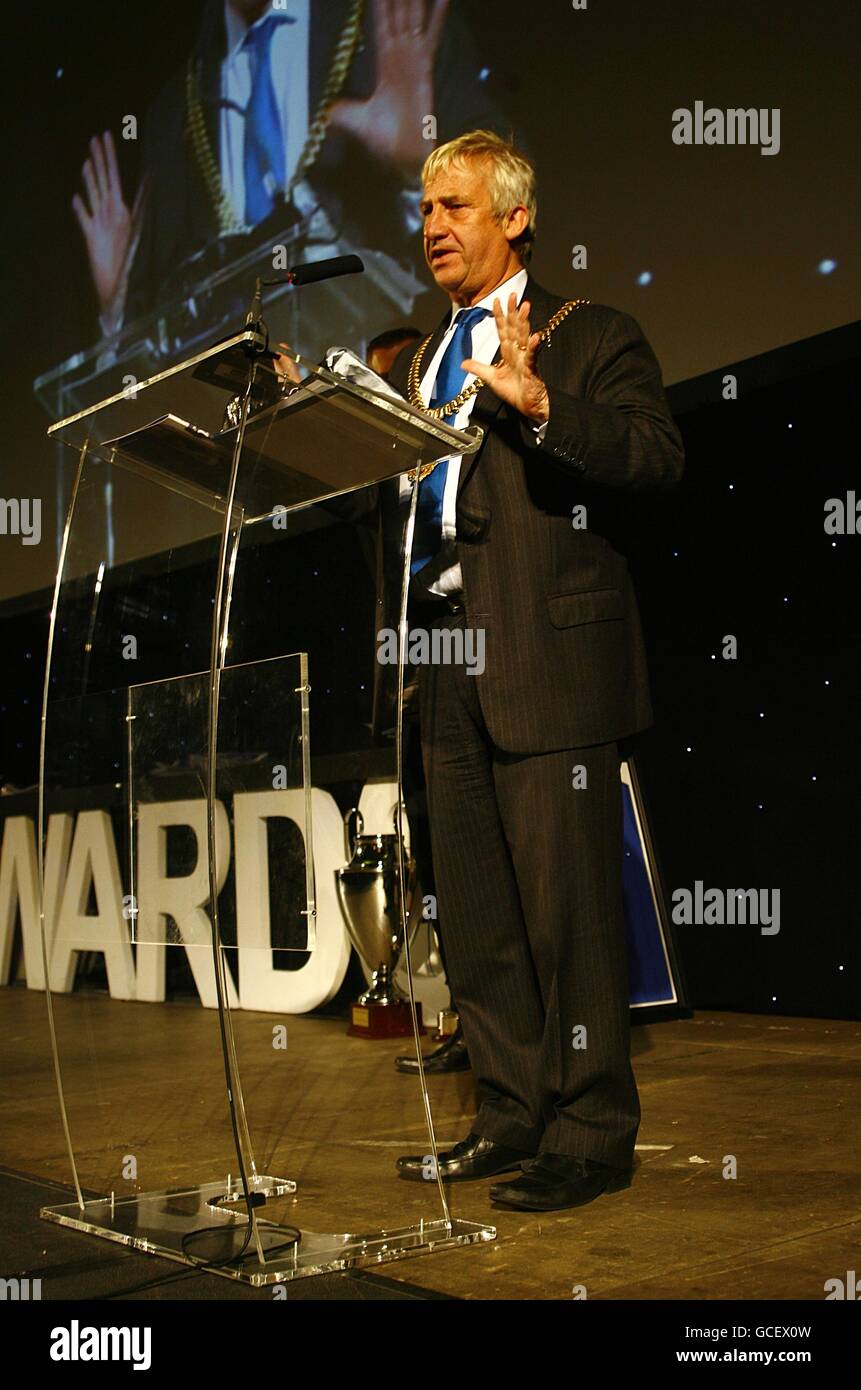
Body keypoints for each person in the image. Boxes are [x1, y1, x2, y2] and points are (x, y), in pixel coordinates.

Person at [388, 130, 684, 1212]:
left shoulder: (589, 329)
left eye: (455, 206)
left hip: (547, 657)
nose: (432, 228)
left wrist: (541, 402)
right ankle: (510, 1116)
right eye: (424, 210)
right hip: (444, 661)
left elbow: (656, 458)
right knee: (478, 918)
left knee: (567, 915)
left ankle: (592, 1132)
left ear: (515, 216)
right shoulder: (423, 356)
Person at [71, 0, 510, 336]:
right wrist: (120, 310)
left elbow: (513, 205)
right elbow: (164, 342)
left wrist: (420, 167)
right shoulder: (171, 117)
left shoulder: (394, 25)